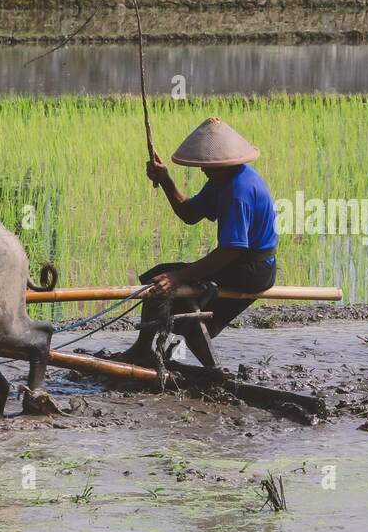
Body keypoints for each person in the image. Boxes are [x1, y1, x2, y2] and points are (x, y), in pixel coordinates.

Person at [115, 117, 279, 368]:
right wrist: (165, 180)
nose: (202, 169)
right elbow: (190, 214)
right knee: (172, 291)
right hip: (246, 263)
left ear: (223, 162)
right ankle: (203, 365)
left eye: (207, 164)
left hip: (251, 269)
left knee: (162, 281)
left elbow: (231, 250)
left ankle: (144, 350)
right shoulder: (221, 180)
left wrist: (179, 277)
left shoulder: (239, 190)